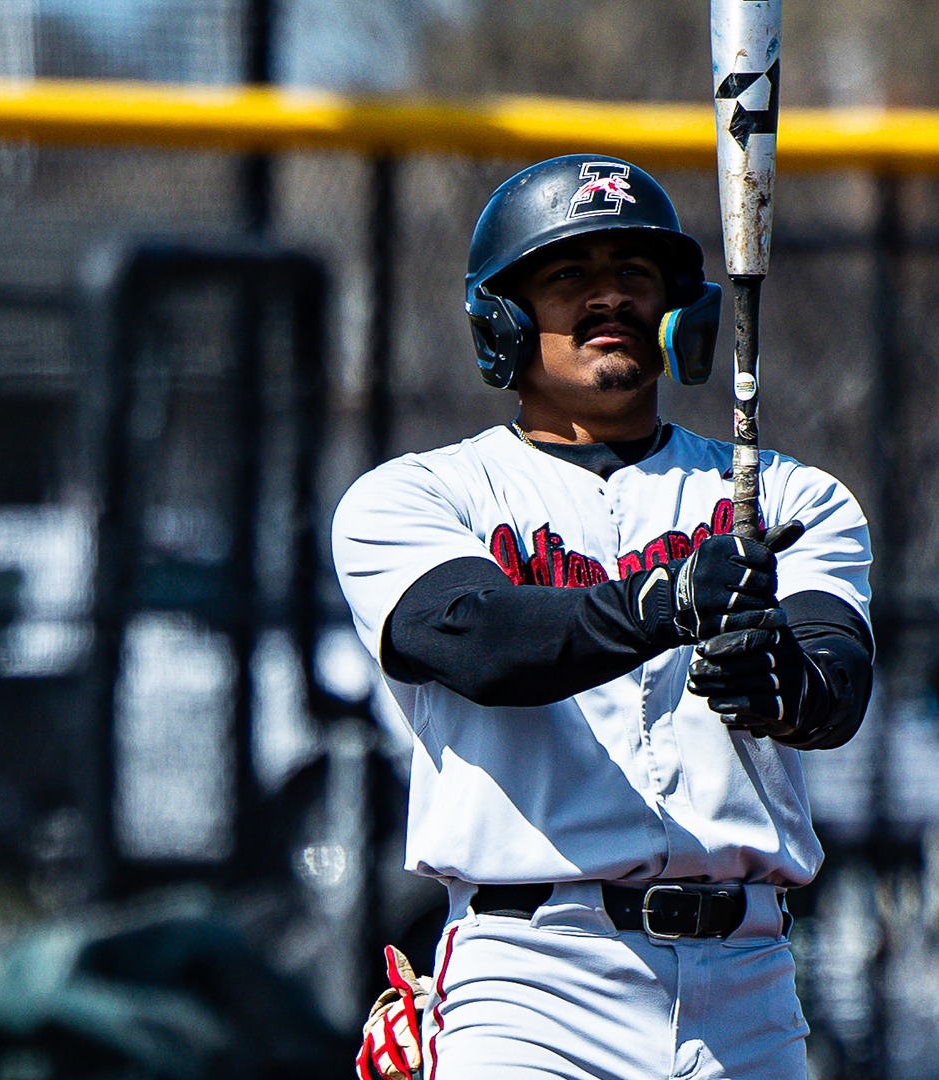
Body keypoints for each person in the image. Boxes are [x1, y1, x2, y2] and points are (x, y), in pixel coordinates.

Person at [333, 154, 874, 1080]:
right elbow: (482, 642)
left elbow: (836, 683)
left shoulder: (788, 495)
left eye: (634, 273)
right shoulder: (421, 495)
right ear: (504, 316)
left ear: (679, 308)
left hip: (746, 983)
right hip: (532, 979)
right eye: (568, 274)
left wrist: (784, 681)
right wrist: (665, 602)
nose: (608, 296)